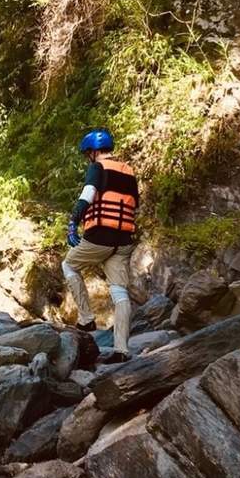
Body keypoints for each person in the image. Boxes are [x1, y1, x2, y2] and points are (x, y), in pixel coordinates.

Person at [62, 129, 140, 362]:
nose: (88, 158)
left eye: (88, 154)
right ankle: (121, 350)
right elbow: (134, 204)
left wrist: (74, 221)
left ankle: (86, 320)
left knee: (69, 266)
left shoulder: (97, 167)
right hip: (123, 242)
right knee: (119, 291)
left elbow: (88, 193)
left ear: (93, 152)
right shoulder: (128, 170)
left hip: (99, 238)